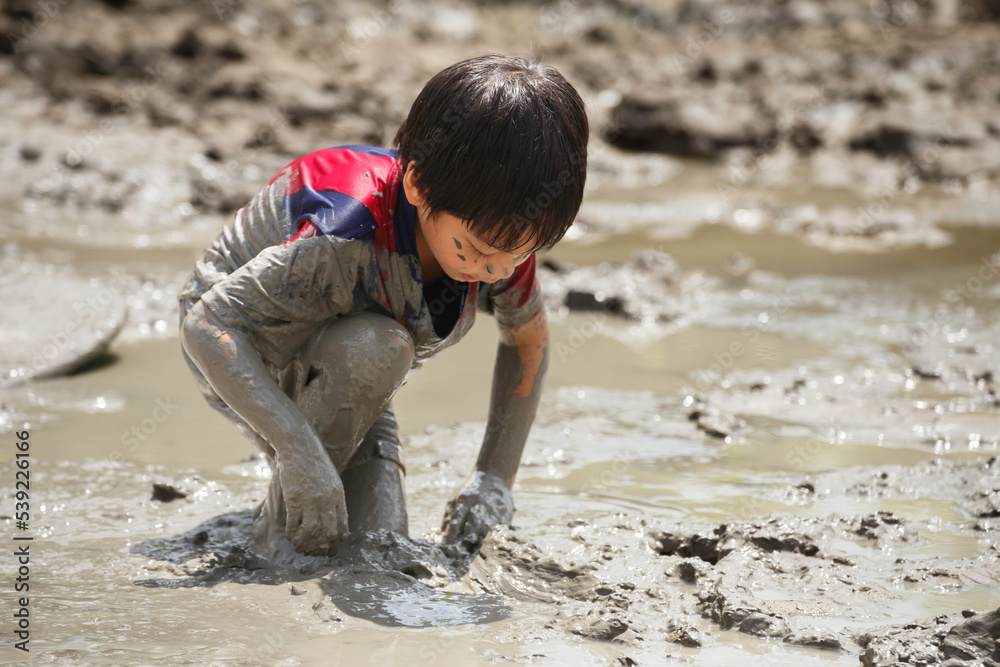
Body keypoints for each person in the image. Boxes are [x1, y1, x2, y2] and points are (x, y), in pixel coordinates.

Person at [177, 53, 589, 562]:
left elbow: (528, 343)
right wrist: (296, 449)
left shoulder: (501, 241)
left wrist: (493, 479)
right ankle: (274, 544)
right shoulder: (346, 233)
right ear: (417, 186)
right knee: (300, 547)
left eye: (521, 252)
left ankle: (301, 495)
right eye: (480, 250)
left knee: (376, 551)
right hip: (244, 349)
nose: (498, 271)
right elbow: (207, 323)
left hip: (354, 357)